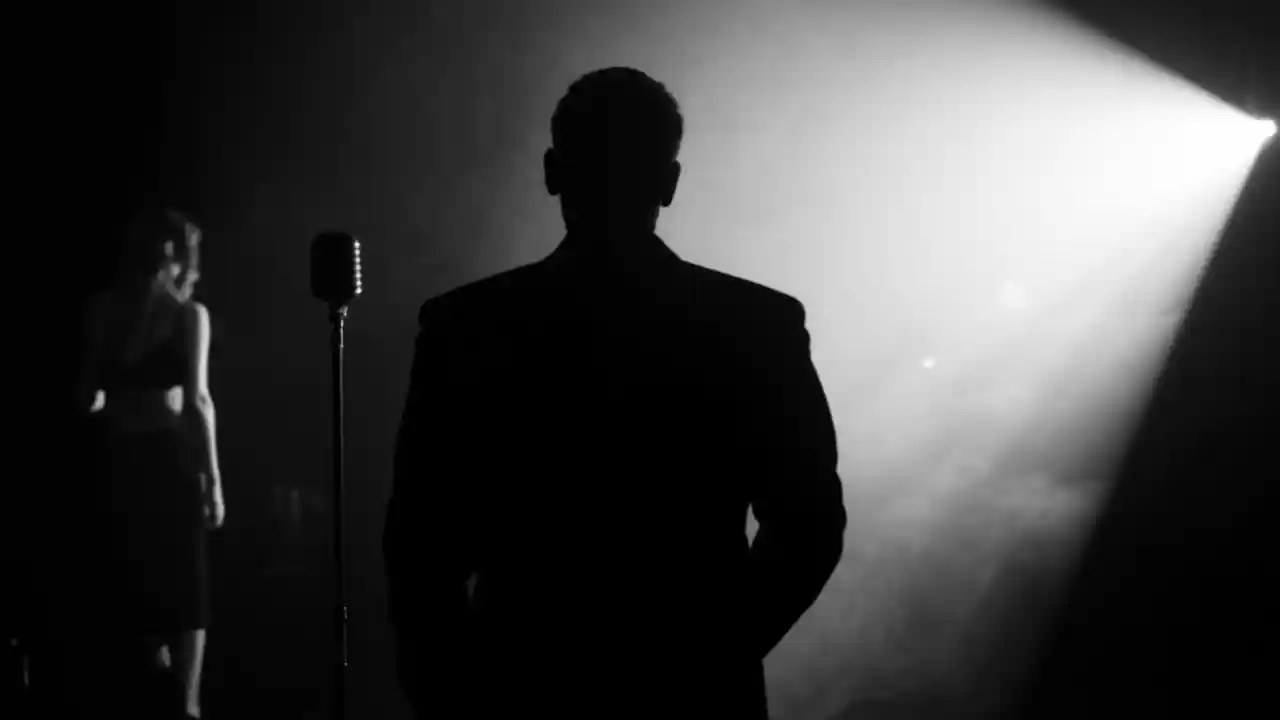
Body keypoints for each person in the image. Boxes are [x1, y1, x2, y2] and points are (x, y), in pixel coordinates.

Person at [384, 67, 846, 719]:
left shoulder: (467, 324)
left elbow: (420, 534)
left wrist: (450, 681)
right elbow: (809, 525)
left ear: (552, 171)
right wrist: (711, 655)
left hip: (521, 686)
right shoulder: (756, 323)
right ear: (669, 181)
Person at [76, 207, 225, 719]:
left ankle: (163, 696)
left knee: (143, 594)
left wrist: (115, 392)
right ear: (178, 258)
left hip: (122, 462)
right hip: (166, 463)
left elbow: (86, 395)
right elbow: (200, 402)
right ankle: (186, 703)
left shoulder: (100, 310)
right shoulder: (188, 316)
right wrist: (214, 483)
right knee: (183, 594)